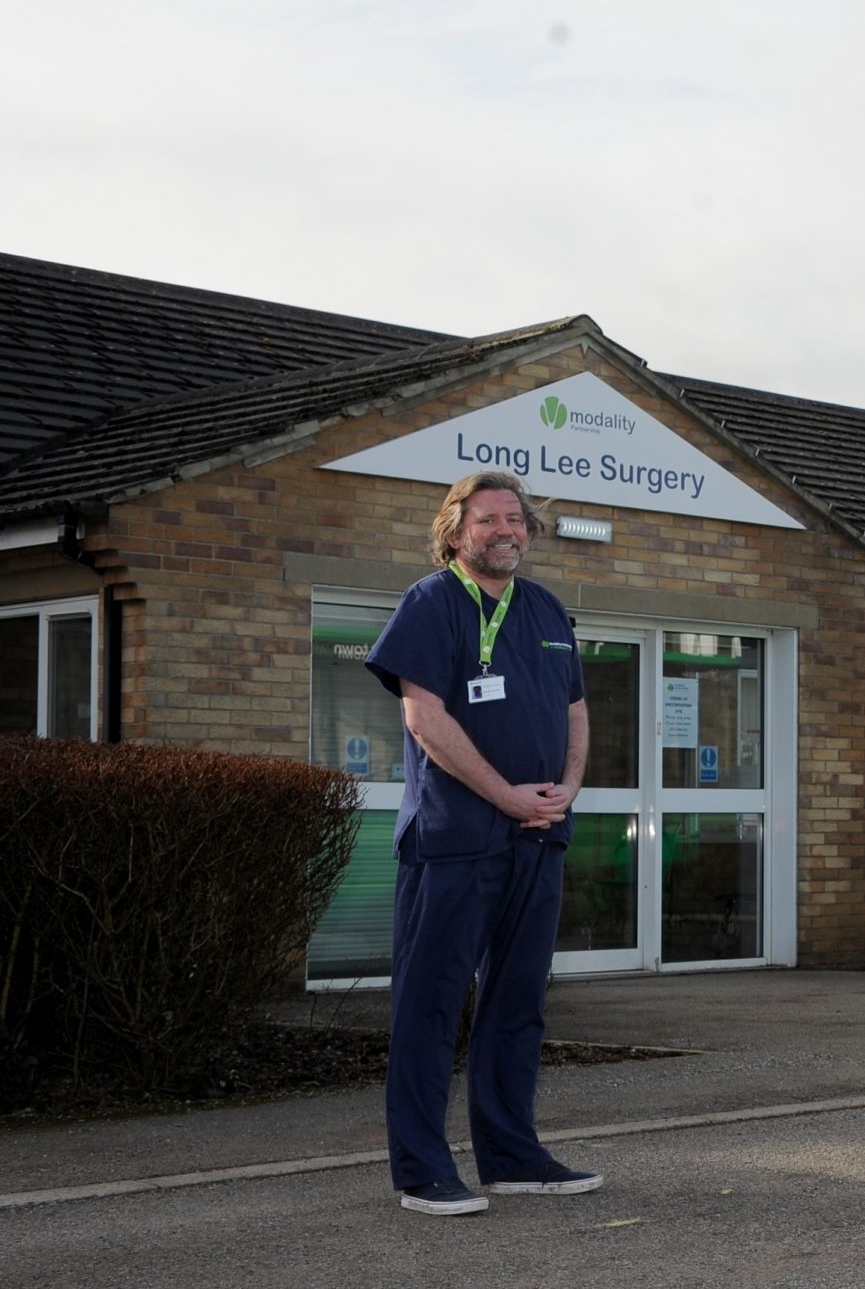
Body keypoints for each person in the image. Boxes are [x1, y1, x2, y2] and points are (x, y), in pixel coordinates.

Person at [366, 469, 599, 1216]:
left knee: (519, 1000)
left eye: (516, 519)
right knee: (432, 1003)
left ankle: (512, 1155)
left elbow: (577, 711)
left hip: (539, 838)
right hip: (457, 839)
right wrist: (504, 795)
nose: (506, 530)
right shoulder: (431, 602)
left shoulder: (546, 608)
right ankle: (422, 1169)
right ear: (457, 530)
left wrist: (565, 789)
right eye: (490, 518)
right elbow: (423, 716)